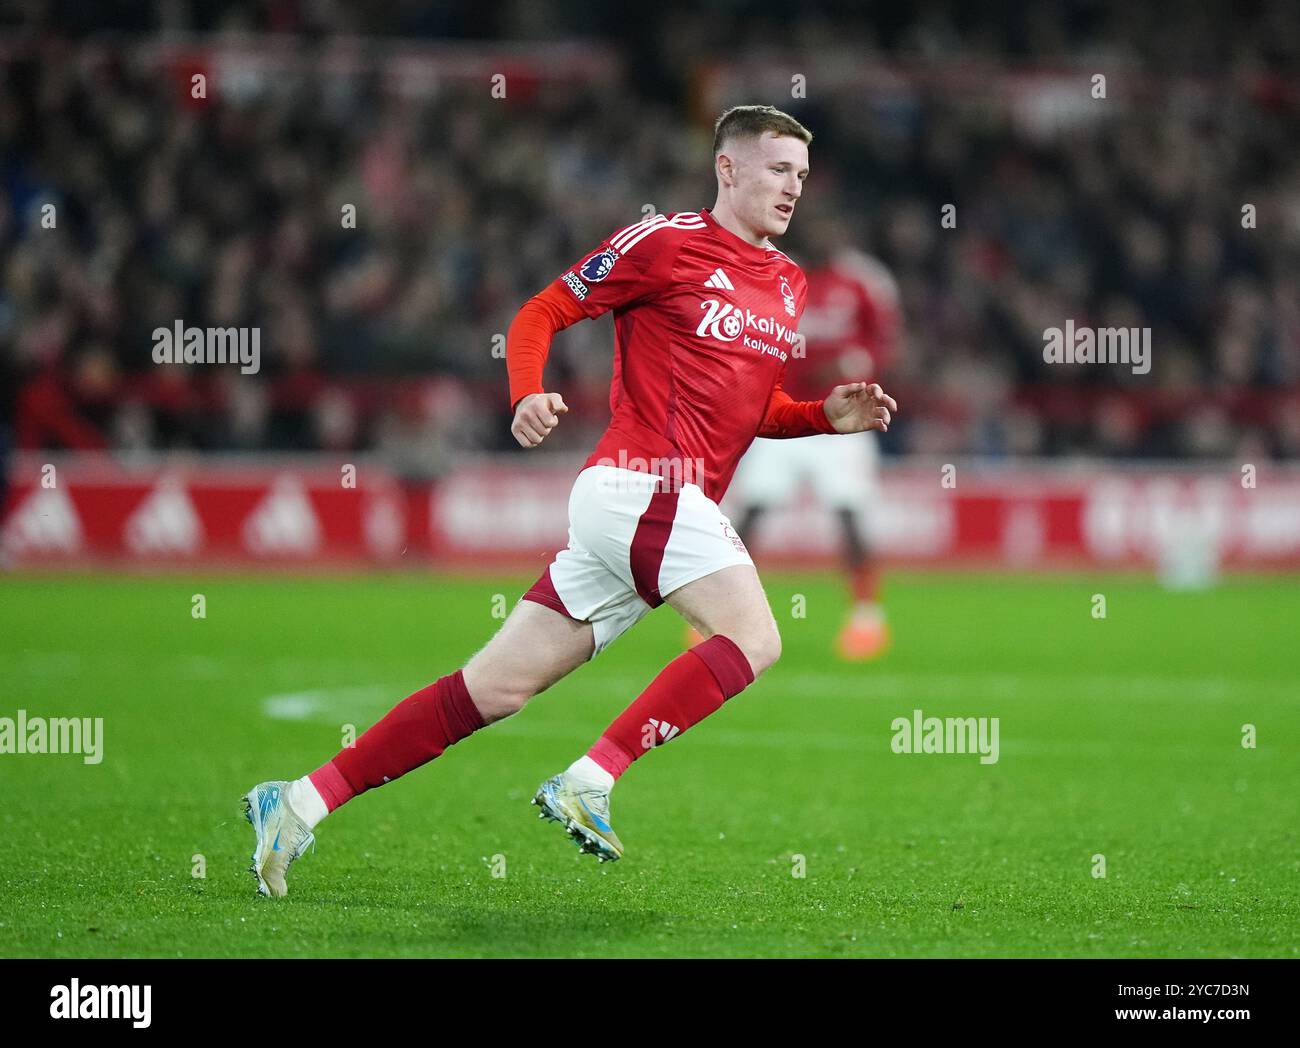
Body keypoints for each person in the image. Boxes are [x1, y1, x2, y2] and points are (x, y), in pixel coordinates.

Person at [241, 104, 896, 896]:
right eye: (776, 168)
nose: (793, 187)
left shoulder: (788, 283)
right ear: (727, 168)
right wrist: (526, 392)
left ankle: (299, 801)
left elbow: (750, 411)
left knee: (491, 689)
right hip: (643, 485)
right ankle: (592, 777)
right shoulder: (666, 242)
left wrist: (824, 416)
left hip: (653, 516)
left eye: (800, 173)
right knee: (756, 638)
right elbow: (543, 310)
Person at [728, 208, 902, 659]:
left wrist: (856, 365)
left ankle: (866, 618)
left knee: (849, 516)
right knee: (748, 515)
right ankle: (725, 614)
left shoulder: (864, 281)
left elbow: (886, 339)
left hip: (841, 420)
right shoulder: (773, 274)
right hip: (781, 415)